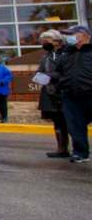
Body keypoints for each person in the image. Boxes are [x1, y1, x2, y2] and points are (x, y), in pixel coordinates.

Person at [53, 25, 92, 163]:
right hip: (70, 96)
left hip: (89, 94)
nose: (69, 37)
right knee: (75, 126)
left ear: (84, 35)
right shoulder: (66, 53)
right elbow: (58, 71)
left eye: (72, 34)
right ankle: (81, 153)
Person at [37, 30, 70, 158]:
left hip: (63, 91)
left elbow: (66, 72)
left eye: (47, 41)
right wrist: (39, 76)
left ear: (57, 41)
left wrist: (50, 75)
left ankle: (80, 150)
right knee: (57, 122)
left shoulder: (66, 55)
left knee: (70, 121)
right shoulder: (46, 56)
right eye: (43, 41)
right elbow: (40, 70)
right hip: (49, 92)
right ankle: (61, 149)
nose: (44, 44)